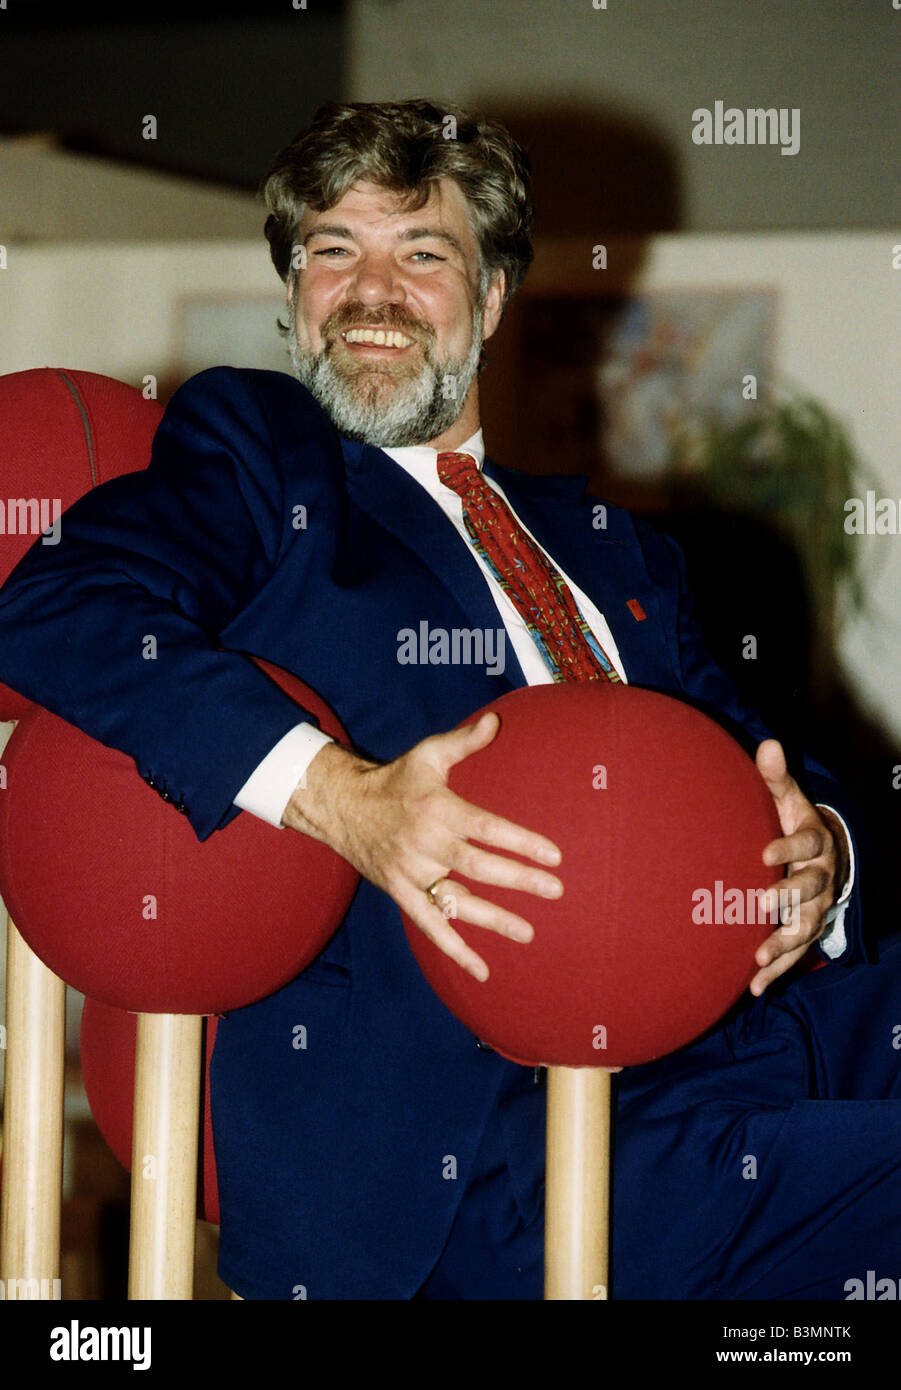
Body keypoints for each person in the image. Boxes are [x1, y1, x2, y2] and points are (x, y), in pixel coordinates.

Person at [0, 99, 898, 1301]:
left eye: (421, 254)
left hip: (745, 1035)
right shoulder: (263, 461)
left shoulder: (613, 547)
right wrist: (339, 796)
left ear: (487, 303)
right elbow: (60, 605)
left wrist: (819, 858)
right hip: (477, 1146)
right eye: (332, 251)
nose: (370, 290)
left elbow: (766, 757)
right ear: (294, 291)